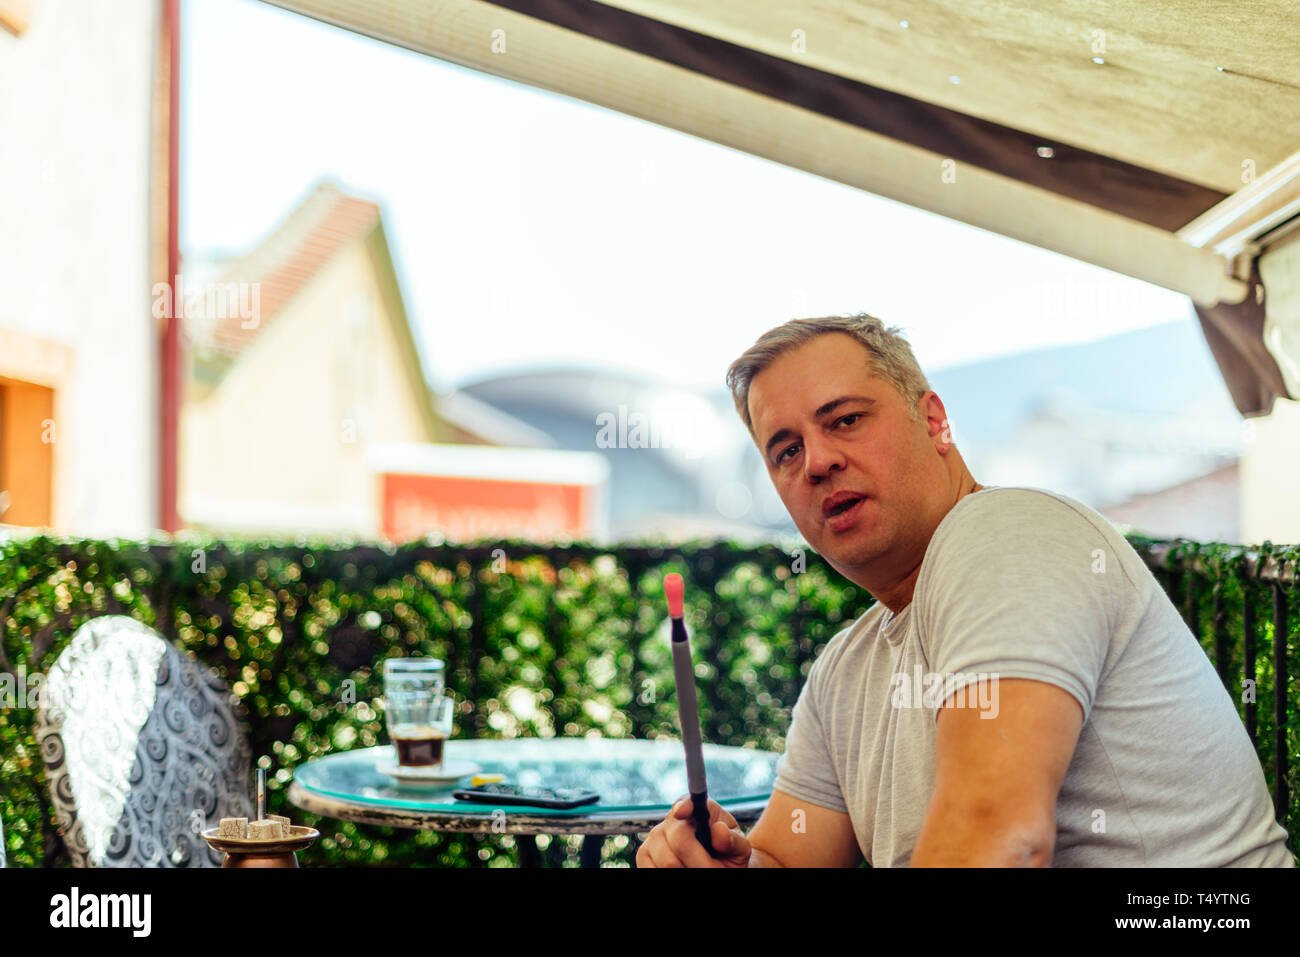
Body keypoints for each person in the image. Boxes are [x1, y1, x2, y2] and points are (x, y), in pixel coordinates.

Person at [636, 314, 1295, 868]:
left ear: (935, 421)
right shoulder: (846, 669)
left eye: (844, 420)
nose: (818, 461)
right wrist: (729, 862)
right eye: (785, 450)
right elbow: (786, 856)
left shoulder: (1006, 534)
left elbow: (996, 841)